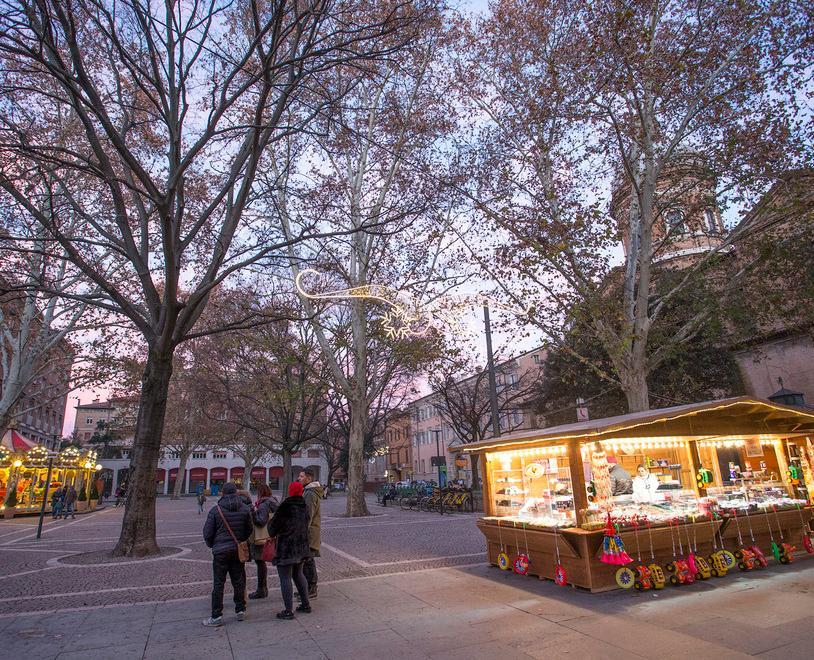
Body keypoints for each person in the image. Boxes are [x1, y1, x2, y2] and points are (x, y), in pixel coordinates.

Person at [202, 482, 253, 627]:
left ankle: (216, 615)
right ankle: (240, 609)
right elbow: (249, 528)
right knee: (239, 580)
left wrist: (213, 544)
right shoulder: (244, 508)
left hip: (220, 551)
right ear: (236, 492)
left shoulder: (216, 510)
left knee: (219, 583)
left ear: (223, 493)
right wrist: (241, 540)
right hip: (237, 550)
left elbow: (207, 533)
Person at [267, 481, 312, 619]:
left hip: (286, 548)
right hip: (301, 546)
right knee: (299, 574)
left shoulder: (285, 507)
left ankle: (288, 610)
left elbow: (272, 529)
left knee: (285, 577)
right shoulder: (304, 506)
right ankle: (305, 604)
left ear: (290, 491)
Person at [248, 484, 278, 600]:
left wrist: (253, 513)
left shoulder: (264, 504)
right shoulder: (274, 501)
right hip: (272, 535)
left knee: (260, 563)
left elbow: (261, 521)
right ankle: (262, 589)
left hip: (262, 538)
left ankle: (262, 589)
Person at [298, 468, 322, 599]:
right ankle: (306, 587)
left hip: (309, 532)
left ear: (308, 478)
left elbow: (308, 515)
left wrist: (302, 531)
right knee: (307, 559)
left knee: (308, 560)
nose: (299, 478)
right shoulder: (308, 492)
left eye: (301, 476)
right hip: (310, 531)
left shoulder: (310, 494)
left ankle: (312, 588)